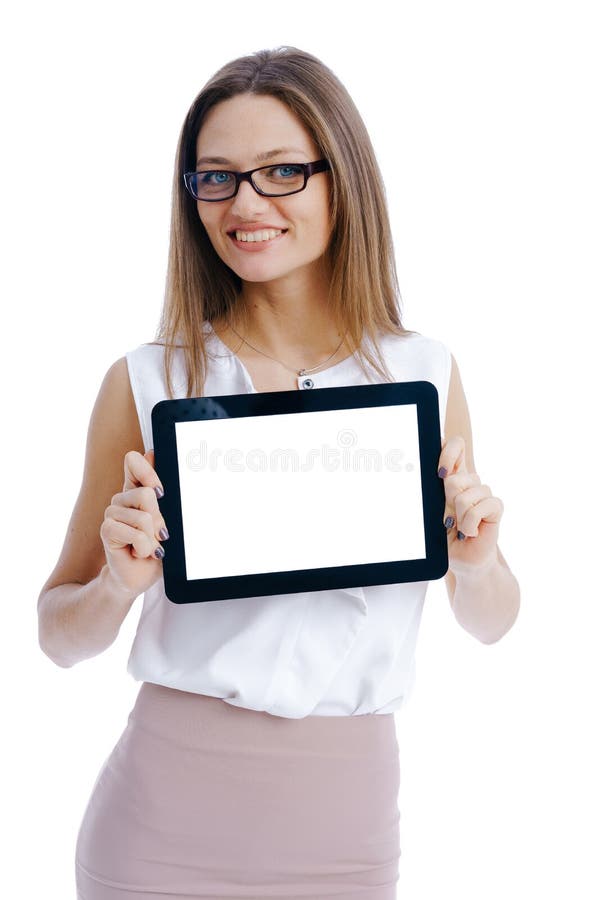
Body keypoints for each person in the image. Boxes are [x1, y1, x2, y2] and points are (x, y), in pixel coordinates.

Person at [37, 46, 521, 900]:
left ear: (344, 181)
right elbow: (57, 634)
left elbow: (491, 622)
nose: (245, 204)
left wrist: (476, 561)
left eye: (281, 172)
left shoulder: (422, 374)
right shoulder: (151, 380)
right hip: (157, 832)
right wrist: (116, 585)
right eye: (215, 178)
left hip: (347, 836)